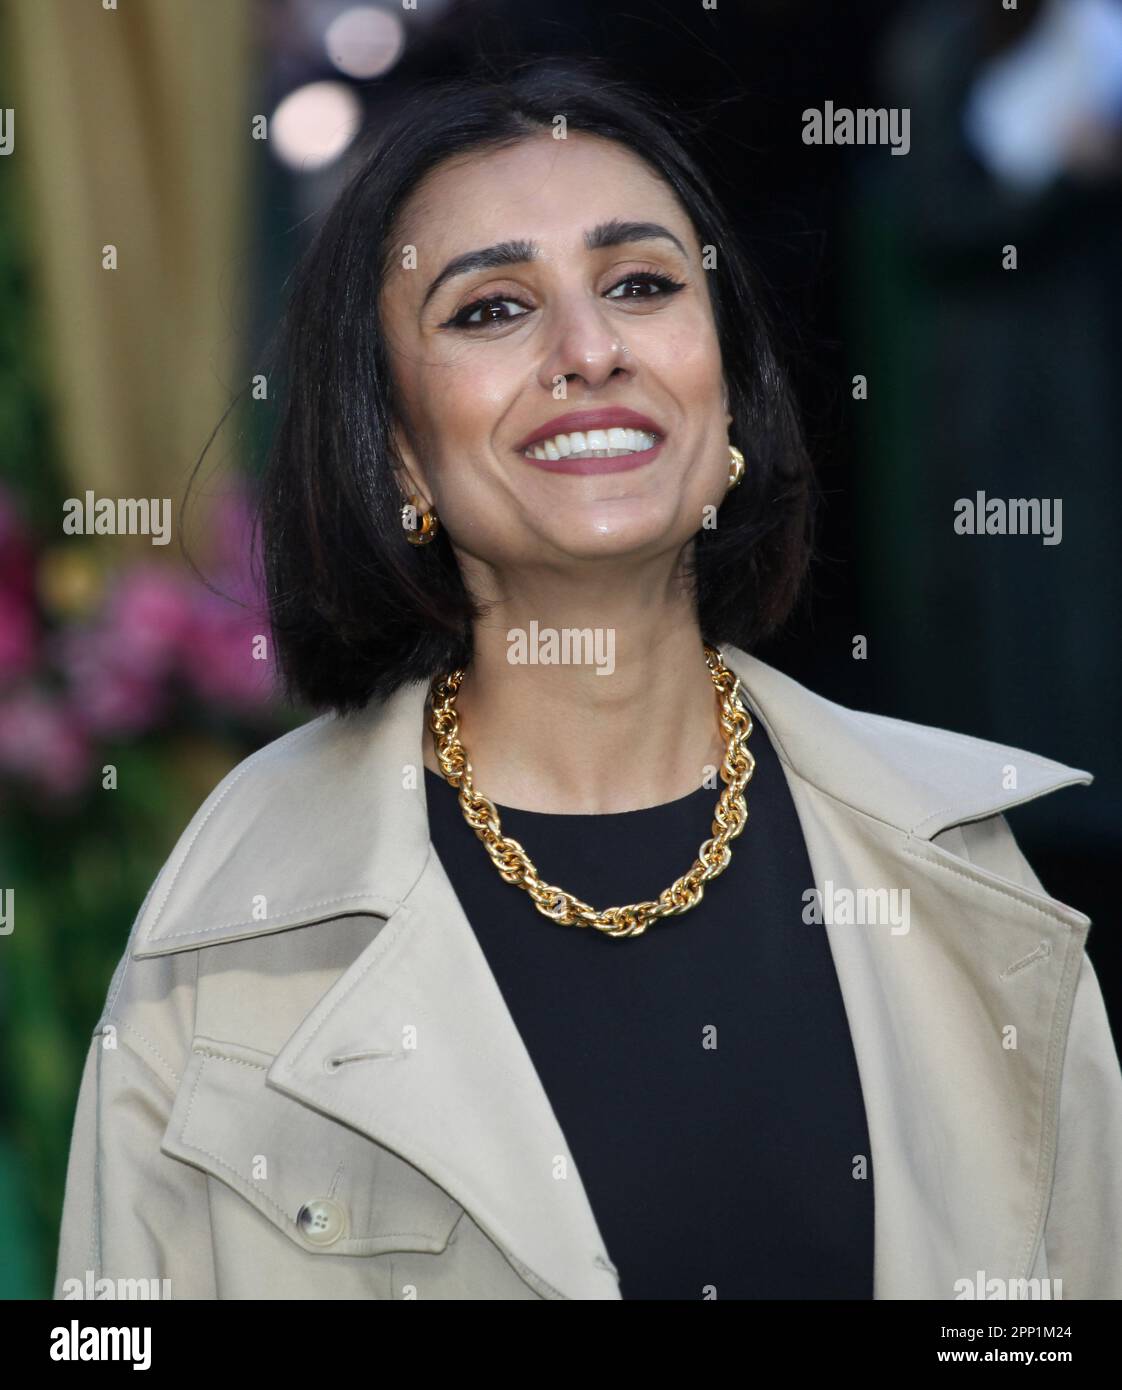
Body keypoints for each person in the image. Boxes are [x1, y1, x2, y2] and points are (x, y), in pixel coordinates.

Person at [53, 56, 1122, 1301]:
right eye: (491, 309)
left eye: (640, 284)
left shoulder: (963, 873)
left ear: (724, 402)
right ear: (394, 452)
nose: (590, 346)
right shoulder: (236, 922)